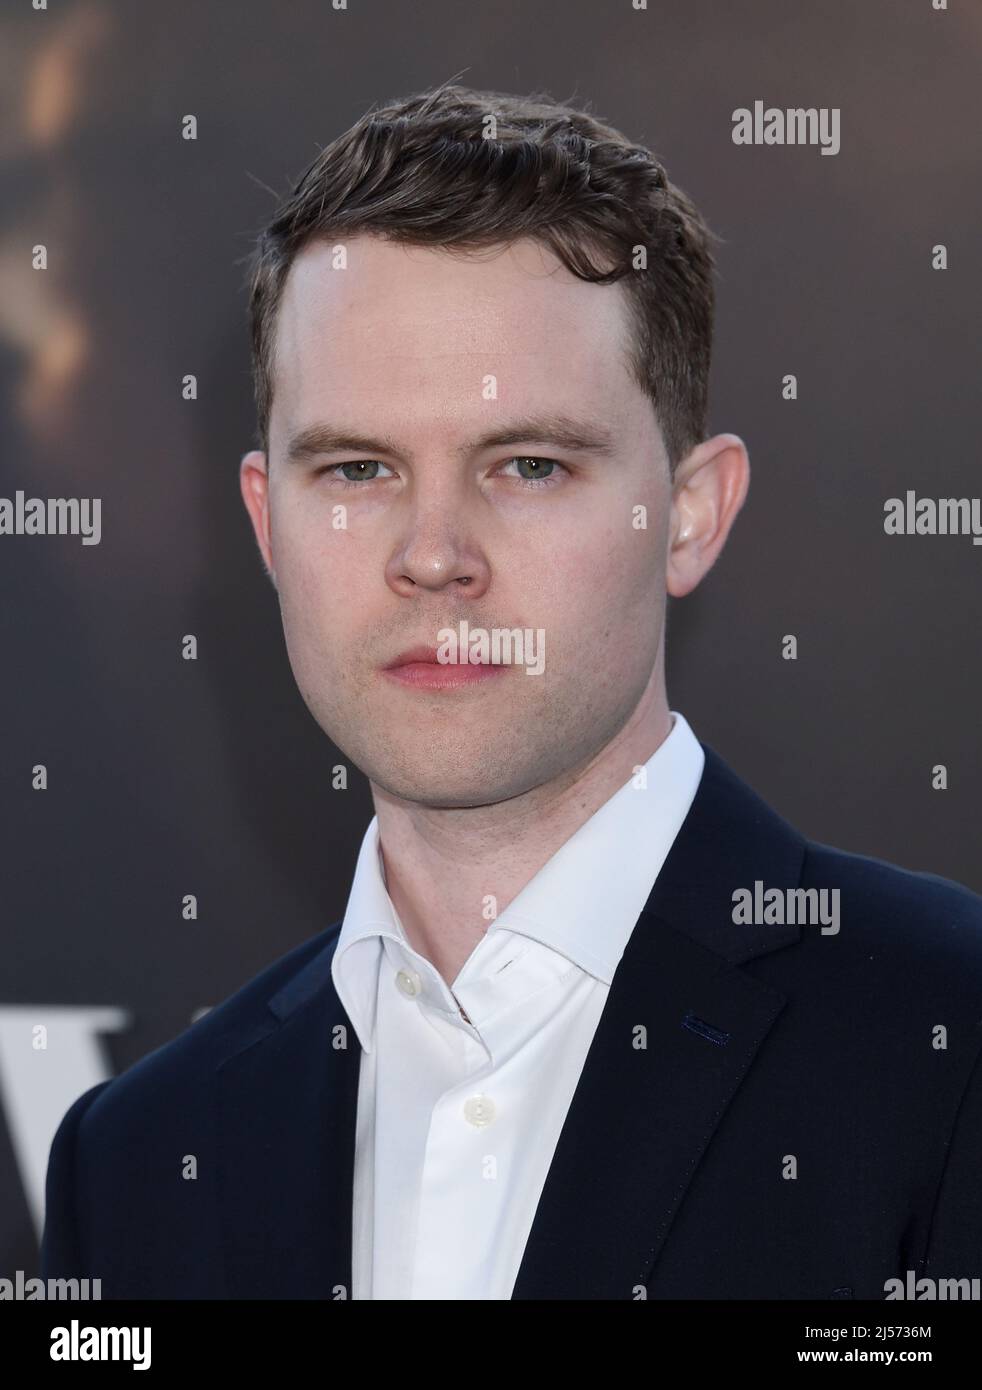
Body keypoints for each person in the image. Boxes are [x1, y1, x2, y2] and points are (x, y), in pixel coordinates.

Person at [41, 82, 982, 1300]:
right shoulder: (137, 1165)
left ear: (690, 515)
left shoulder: (943, 1039)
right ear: (268, 525)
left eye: (529, 464)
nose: (433, 553)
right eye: (358, 467)